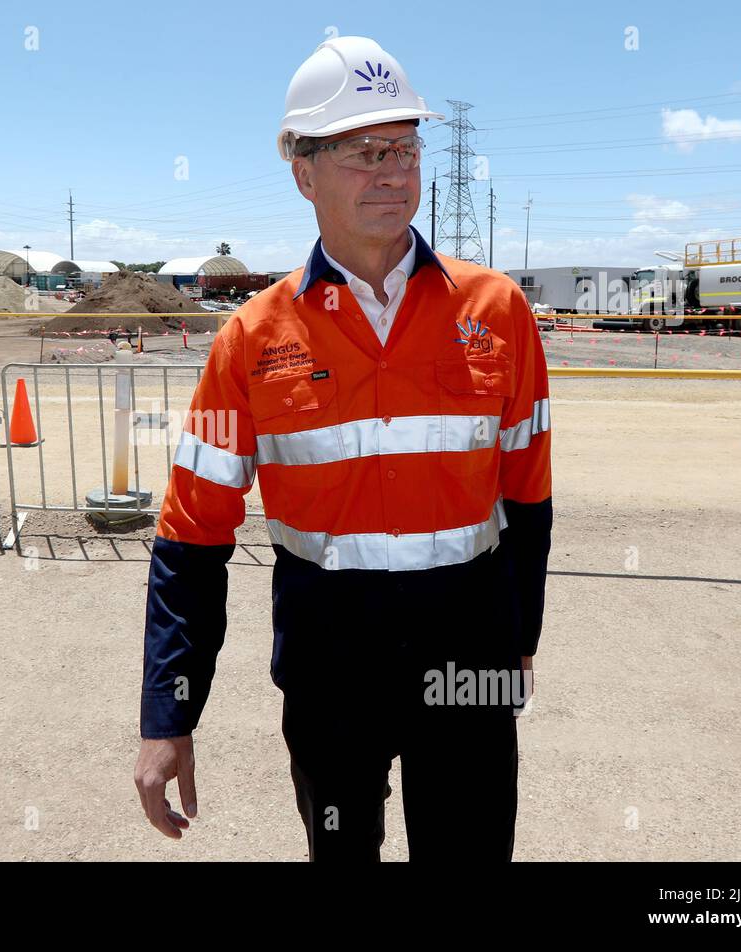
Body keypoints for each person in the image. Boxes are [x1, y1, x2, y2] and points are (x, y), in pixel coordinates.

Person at [133, 35, 552, 861]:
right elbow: (191, 539)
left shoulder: (498, 312)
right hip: (330, 660)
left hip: (470, 651)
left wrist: (518, 645)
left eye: (405, 148)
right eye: (365, 152)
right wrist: (167, 715)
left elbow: (528, 499)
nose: (393, 171)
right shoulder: (251, 339)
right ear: (304, 171)